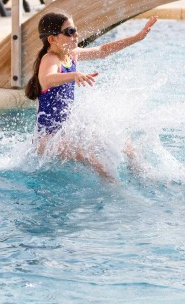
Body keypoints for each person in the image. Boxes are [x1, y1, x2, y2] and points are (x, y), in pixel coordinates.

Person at [25, 12, 158, 179]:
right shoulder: (50, 59)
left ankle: (144, 177)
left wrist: (137, 37)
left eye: (75, 30)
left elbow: (102, 50)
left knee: (123, 144)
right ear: (52, 39)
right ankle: (117, 193)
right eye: (69, 31)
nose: (76, 35)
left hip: (65, 132)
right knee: (96, 161)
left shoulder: (71, 54)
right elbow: (46, 78)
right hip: (49, 138)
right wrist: (73, 75)